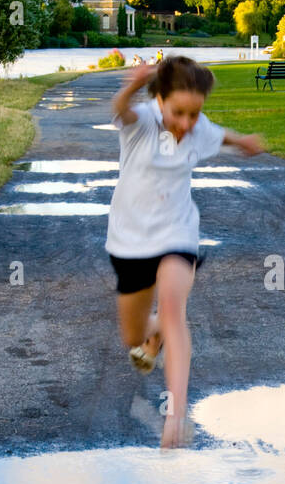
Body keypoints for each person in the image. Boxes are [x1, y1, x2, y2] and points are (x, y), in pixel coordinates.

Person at [107, 57, 265, 448]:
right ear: (159, 101)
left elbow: (217, 133)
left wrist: (241, 141)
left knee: (175, 309)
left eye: (195, 113)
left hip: (178, 233)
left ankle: (175, 415)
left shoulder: (198, 127)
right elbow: (120, 110)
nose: (187, 122)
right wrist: (131, 86)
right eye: (178, 112)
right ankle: (153, 329)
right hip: (130, 241)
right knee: (133, 335)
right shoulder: (142, 123)